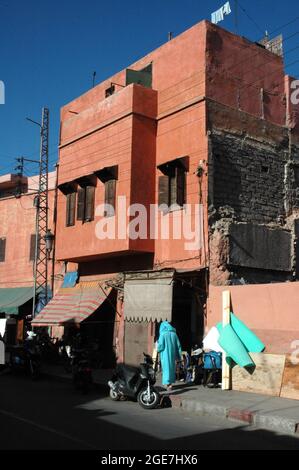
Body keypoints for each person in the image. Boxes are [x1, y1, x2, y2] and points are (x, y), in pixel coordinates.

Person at [157, 321, 182, 390]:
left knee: (166, 368)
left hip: (165, 355)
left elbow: (160, 346)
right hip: (173, 355)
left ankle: (167, 383)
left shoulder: (163, 334)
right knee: (171, 368)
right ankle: (170, 383)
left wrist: (157, 346)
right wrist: (178, 356)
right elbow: (178, 346)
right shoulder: (174, 334)